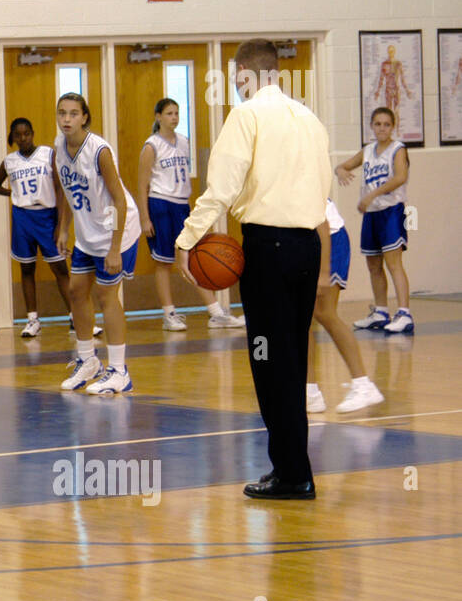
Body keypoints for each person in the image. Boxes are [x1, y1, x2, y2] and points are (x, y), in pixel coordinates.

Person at [175, 38, 331, 500]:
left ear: (243, 73)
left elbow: (221, 188)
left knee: (267, 361)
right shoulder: (310, 118)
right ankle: (294, 469)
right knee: (294, 359)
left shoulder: (245, 115)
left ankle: (291, 473)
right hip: (307, 246)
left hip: (268, 249)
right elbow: (322, 191)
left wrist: (187, 238)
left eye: (236, 78)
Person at [54, 94, 142, 394]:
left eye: (73, 113)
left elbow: (119, 200)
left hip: (116, 230)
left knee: (106, 296)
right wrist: (64, 230)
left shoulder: (99, 151)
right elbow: (67, 191)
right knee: (76, 292)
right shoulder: (59, 147)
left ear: (84, 118)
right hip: (88, 233)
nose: (67, 119)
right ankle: (88, 361)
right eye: (62, 113)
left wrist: (115, 247)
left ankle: (120, 370)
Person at [136, 99, 244, 331]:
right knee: (164, 262)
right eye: (168, 113)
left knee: (195, 258)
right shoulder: (151, 146)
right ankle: (169, 314)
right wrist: (144, 218)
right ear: (158, 117)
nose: (174, 117)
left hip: (181, 206)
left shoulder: (184, 142)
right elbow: (142, 184)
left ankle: (216, 313)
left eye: (176, 113)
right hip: (160, 205)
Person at [0, 117, 70, 338]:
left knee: (60, 269)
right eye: (18, 135)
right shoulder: (9, 161)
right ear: (13, 138)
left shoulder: (48, 154)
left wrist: (61, 224)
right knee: (27, 269)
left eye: (26, 133)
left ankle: (76, 316)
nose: (23, 138)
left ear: (32, 133)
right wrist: (12, 194)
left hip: (47, 216)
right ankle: (32, 319)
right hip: (23, 217)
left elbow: (60, 188)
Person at [336, 107, 412, 334]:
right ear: (371, 126)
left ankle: (405, 313)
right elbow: (342, 166)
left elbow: (400, 177)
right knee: (373, 265)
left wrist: (371, 195)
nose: (382, 128)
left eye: (386, 124)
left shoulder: (398, 150)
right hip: (372, 215)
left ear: (393, 127)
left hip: (391, 211)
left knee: (393, 263)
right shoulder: (368, 150)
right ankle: (380, 311)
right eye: (377, 124)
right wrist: (340, 170)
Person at [306, 199, 383, 414]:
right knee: (302, 319)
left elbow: (321, 222)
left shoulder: (300, 174)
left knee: (324, 313)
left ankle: (363, 384)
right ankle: (310, 392)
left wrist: (323, 271)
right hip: (307, 241)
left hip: (329, 238)